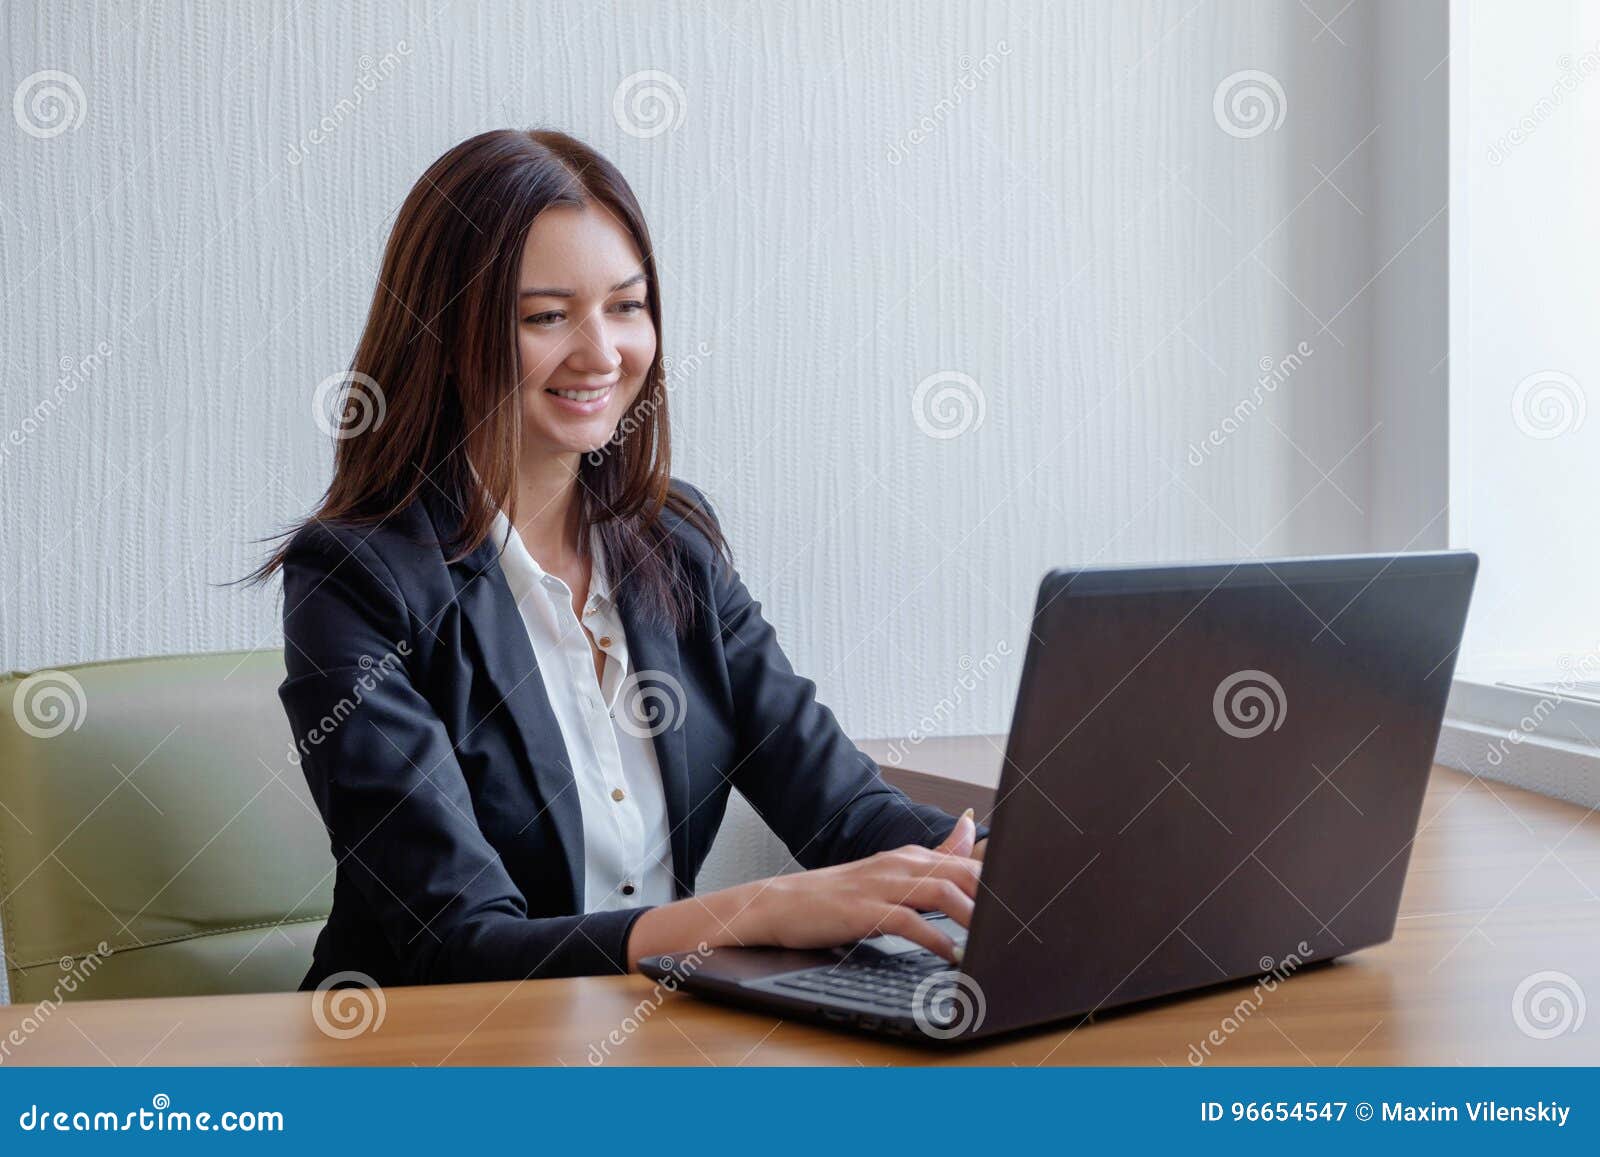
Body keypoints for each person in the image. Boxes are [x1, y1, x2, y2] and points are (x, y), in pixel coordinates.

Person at [249, 128, 987, 989]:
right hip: (443, 1052)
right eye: (545, 316)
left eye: (627, 306)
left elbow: (847, 811)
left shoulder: (675, 542)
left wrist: (1017, 868)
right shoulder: (355, 580)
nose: (602, 354)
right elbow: (458, 941)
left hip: (658, 1044)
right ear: (443, 336)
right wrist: (749, 913)